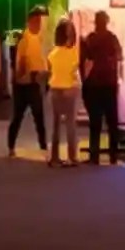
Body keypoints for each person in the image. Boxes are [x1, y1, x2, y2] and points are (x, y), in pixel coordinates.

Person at [81, 10, 122, 166]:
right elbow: (119, 56)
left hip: (93, 85)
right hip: (109, 84)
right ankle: (113, 156)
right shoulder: (112, 39)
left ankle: (94, 156)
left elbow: (83, 61)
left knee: (95, 123)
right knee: (112, 122)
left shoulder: (90, 39)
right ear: (106, 22)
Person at [7, 8, 48, 157]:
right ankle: (11, 146)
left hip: (34, 80)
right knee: (18, 115)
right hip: (25, 83)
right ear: (30, 21)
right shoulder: (25, 38)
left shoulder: (39, 38)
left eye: (40, 21)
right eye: (36, 21)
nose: (39, 24)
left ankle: (43, 146)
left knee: (39, 115)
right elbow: (21, 61)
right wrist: (20, 78)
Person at [47, 19, 80, 168]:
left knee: (55, 124)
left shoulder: (52, 53)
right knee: (70, 123)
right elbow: (75, 70)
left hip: (55, 88)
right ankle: (72, 157)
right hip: (69, 88)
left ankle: (54, 157)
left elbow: (50, 70)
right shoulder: (74, 52)